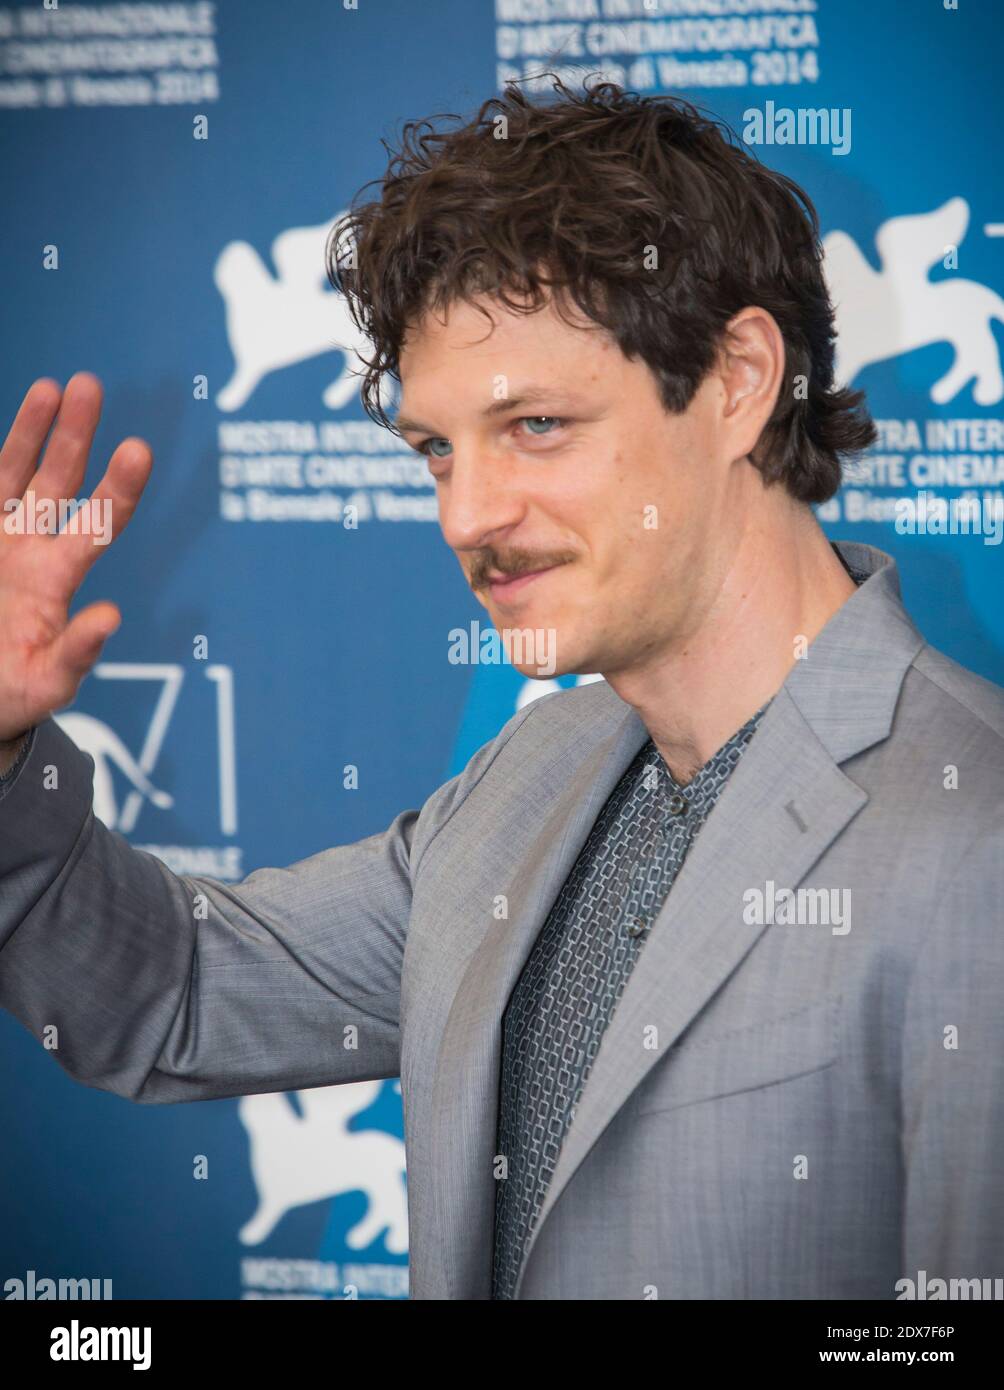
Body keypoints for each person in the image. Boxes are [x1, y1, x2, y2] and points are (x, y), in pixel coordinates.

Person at [1, 77, 1002, 1301]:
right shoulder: (532, 775)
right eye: (435, 448)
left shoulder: (974, 836)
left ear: (739, 380)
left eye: (533, 424)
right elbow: (178, 991)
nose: (465, 517)